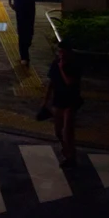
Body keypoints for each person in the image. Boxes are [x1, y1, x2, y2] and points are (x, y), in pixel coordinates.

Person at [44, 38, 82, 167]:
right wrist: (45, 101)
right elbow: (51, 83)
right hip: (58, 99)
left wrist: (62, 68)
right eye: (59, 51)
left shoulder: (74, 64)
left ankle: (70, 155)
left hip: (71, 100)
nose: (61, 54)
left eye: (63, 51)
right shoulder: (56, 63)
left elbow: (69, 81)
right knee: (58, 130)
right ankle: (68, 149)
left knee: (68, 130)